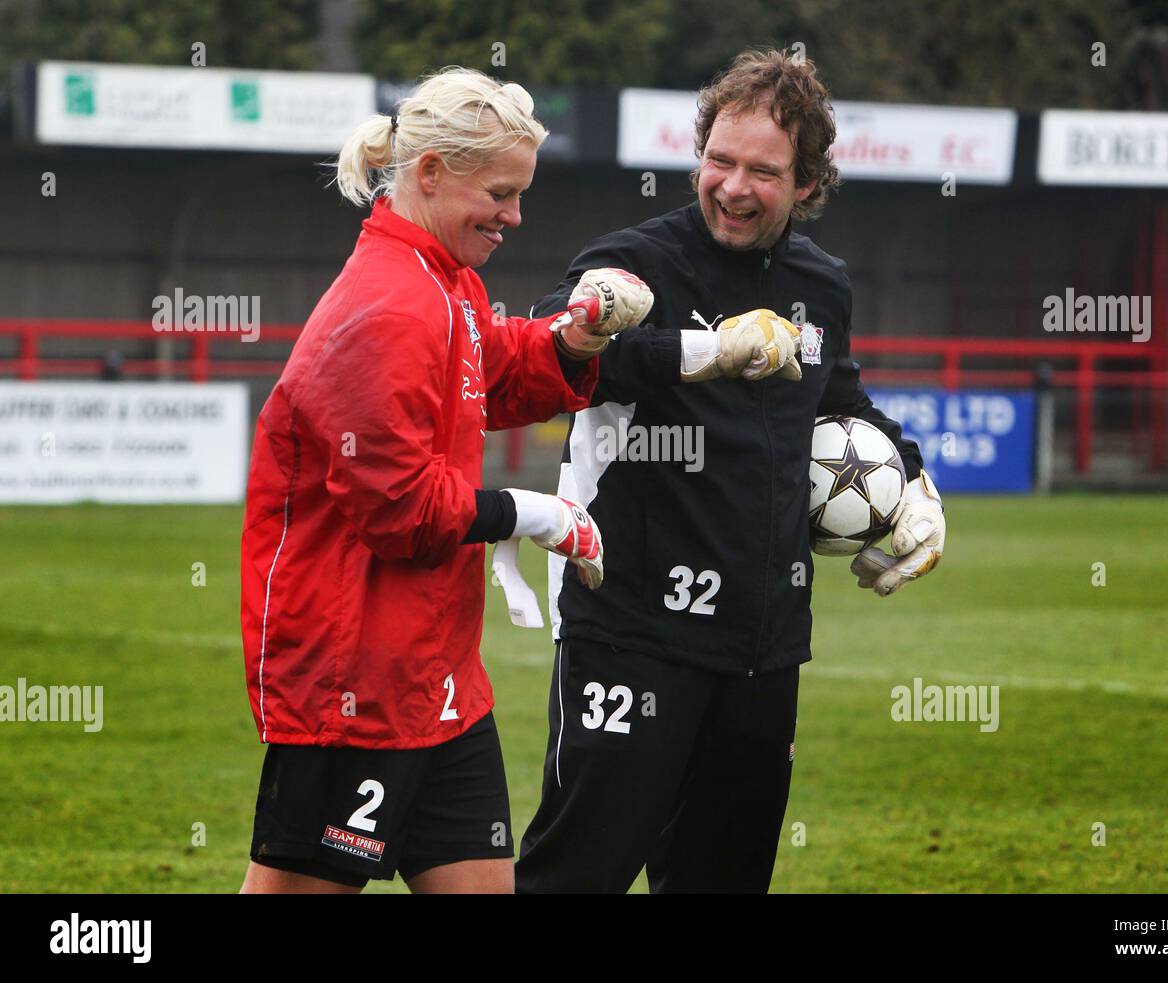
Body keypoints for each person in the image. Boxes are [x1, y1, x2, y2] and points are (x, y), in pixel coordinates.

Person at [515, 49, 946, 893]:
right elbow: (565, 350)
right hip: (631, 633)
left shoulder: (822, 285)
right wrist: (710, 351)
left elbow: (842, 401)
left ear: (809, 186)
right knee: (574, 876)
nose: (734, 186)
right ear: (697, 155)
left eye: (764, 171)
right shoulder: (632, 260)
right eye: (720, 160)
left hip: (763, 647)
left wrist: (919, 482)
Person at [238, 68, 653, 894]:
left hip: (440, 677)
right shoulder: (386, 306)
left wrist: (572, 339)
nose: (514, 216)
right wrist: (541, 514)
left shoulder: (446, 280)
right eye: (500, 193)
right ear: (431, 174)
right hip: (353, 682)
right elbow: (398, 510)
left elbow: (491, 375)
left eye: (520, 193)